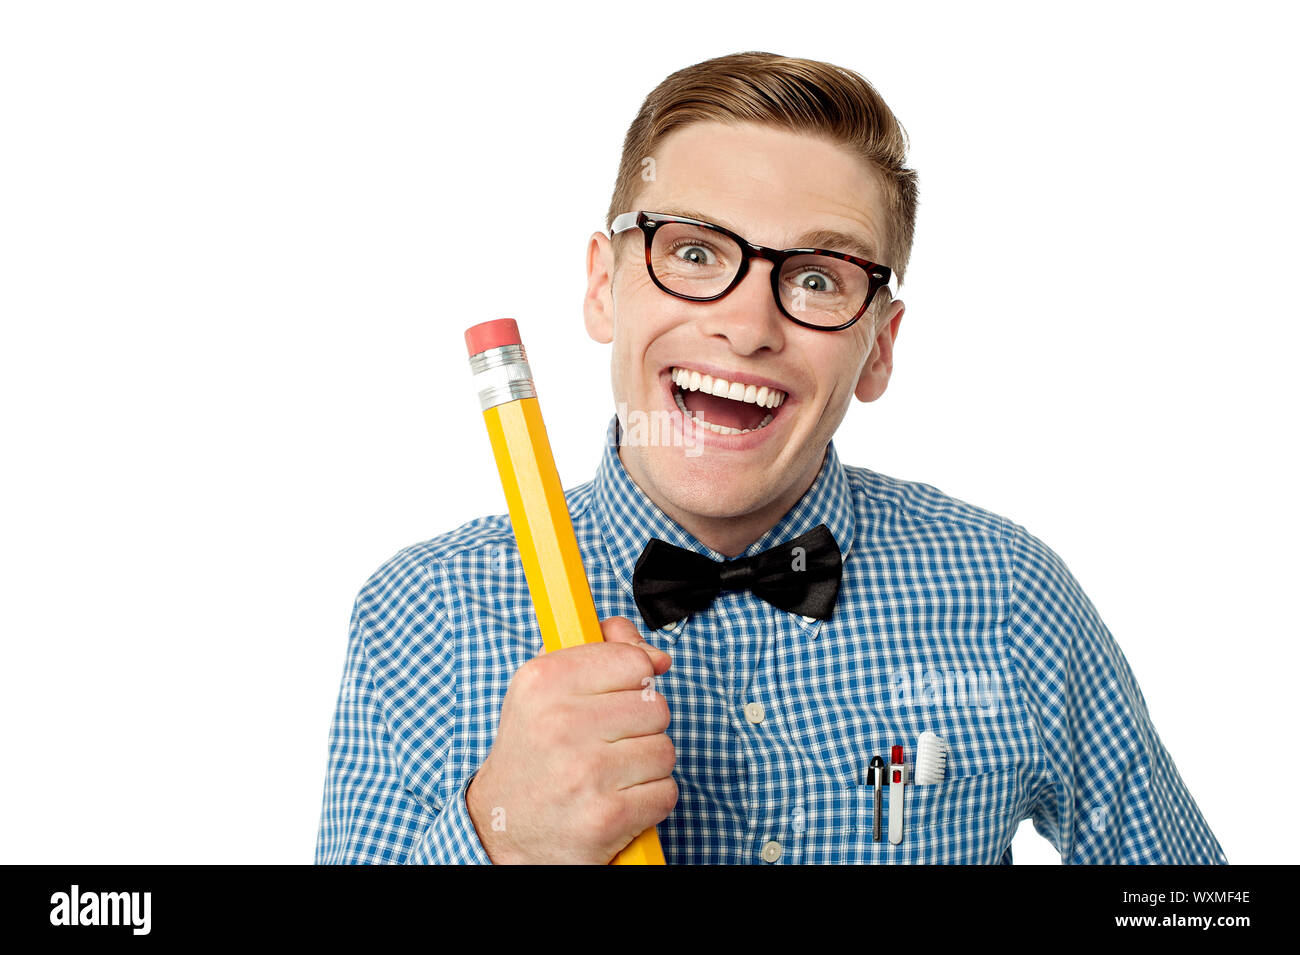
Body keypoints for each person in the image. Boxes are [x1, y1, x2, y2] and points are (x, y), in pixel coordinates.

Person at [313, 51, 1226, 865]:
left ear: (878, 345)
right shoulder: (420, 612)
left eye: (819, 278)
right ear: (603, 286)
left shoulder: (1010, 592)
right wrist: (499, 837)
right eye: (697, 251)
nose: (748, 327)